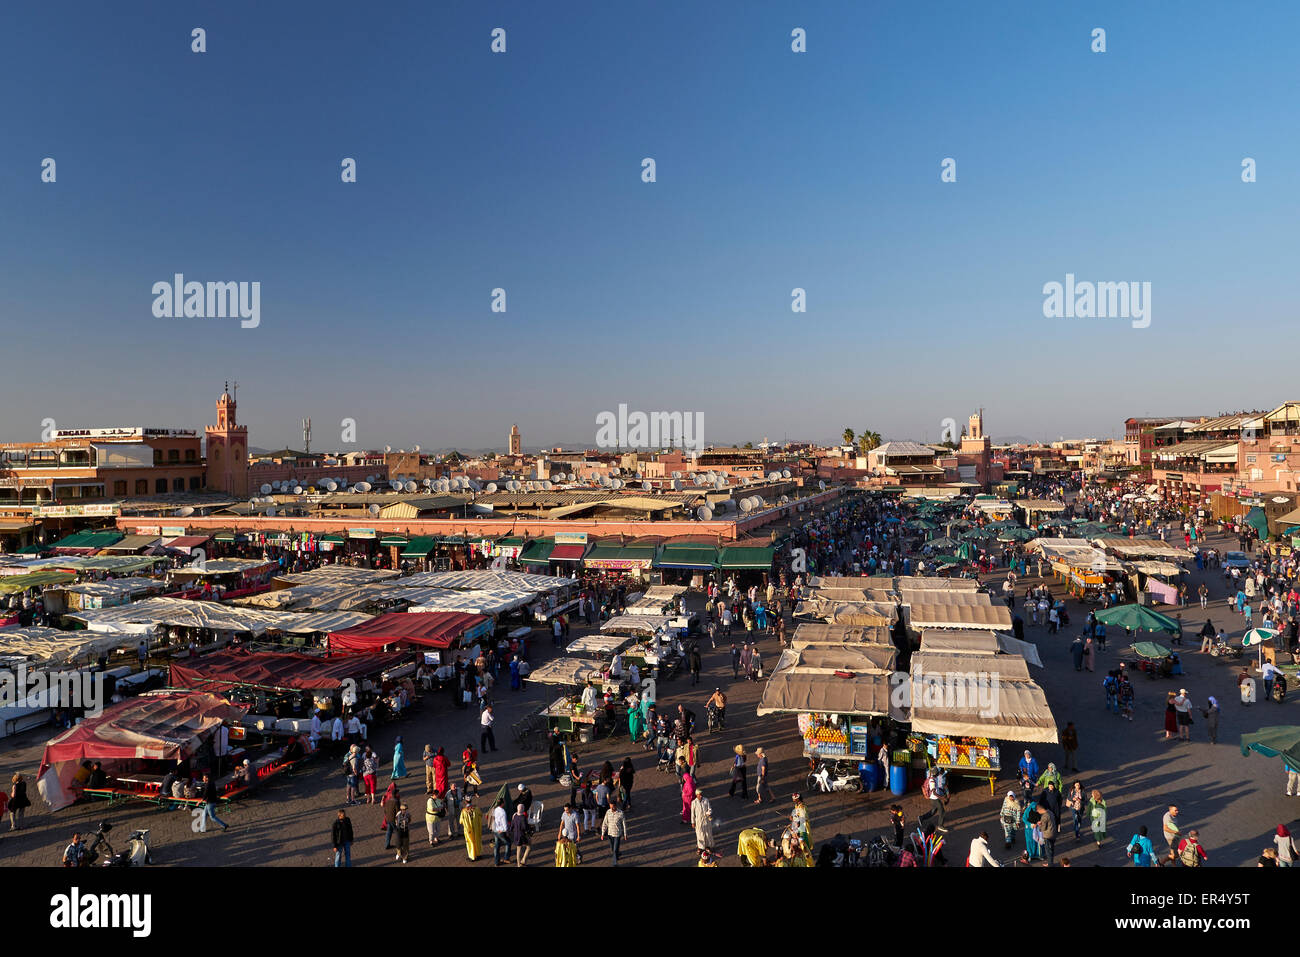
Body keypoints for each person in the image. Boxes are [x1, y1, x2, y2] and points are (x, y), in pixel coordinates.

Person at [691, 788, 715, 857]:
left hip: (706, 820)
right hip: (698, 821)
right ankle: (700, 847)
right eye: (699, 795)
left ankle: (708, 847)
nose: (700, 796)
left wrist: (708, 813)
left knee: (708, 833)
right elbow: (692, 814)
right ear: (696, 795)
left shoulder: (706, 800)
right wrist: (693, 822)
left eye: (701, 794)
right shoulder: (694, 803)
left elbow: (709, 808)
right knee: (699, 834)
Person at [490, 798, 510, 866]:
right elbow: (504, 824)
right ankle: (506, 858)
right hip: (501, 831)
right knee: (508, 843)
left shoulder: (495, 809)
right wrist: (506, 831)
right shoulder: (503, 812)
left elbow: (494, 818)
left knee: (497, 846)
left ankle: (496, 862)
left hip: (496, 830)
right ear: (502, 804)